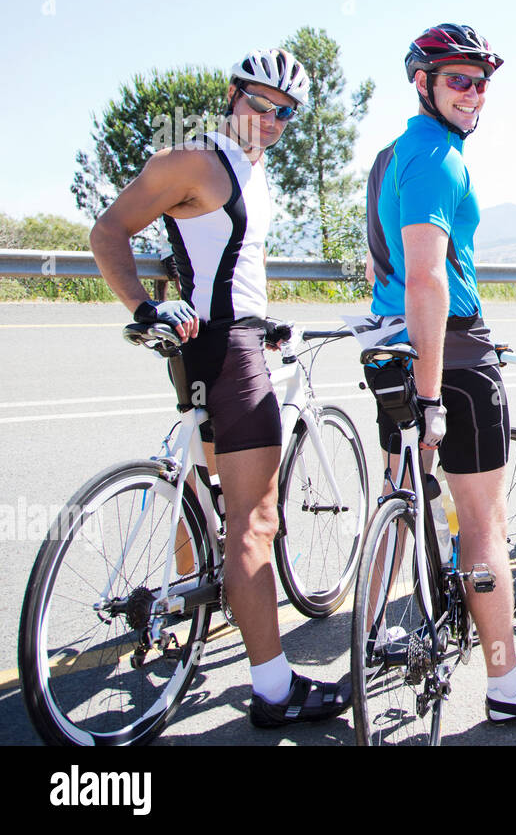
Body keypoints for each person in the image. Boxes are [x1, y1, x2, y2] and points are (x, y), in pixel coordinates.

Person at [91, 48, 353, 727]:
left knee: (220, 508)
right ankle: (273, 689)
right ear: (233, 95)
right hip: (225, 355)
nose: (269, 120)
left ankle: (199, 601)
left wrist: (262, 323)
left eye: (285, 113)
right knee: (256, 523)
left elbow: (229, 263)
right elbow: (108, 231)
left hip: (234, 342)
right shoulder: (193, 162)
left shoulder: (250, 170)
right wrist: (143, 309)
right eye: (258, 103)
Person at [364, 23, 516, 722]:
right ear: (422, 82)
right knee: (484, 526)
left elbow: (381, 267)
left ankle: (367, 638)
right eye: (458, 79)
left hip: (391, 350)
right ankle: (508, 684)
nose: (474, 93)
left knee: (402, 497)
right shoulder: (437, 157)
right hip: (452, 356)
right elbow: (425, 279)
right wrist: (432, 394)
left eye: (482, 81)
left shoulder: (390, 155)